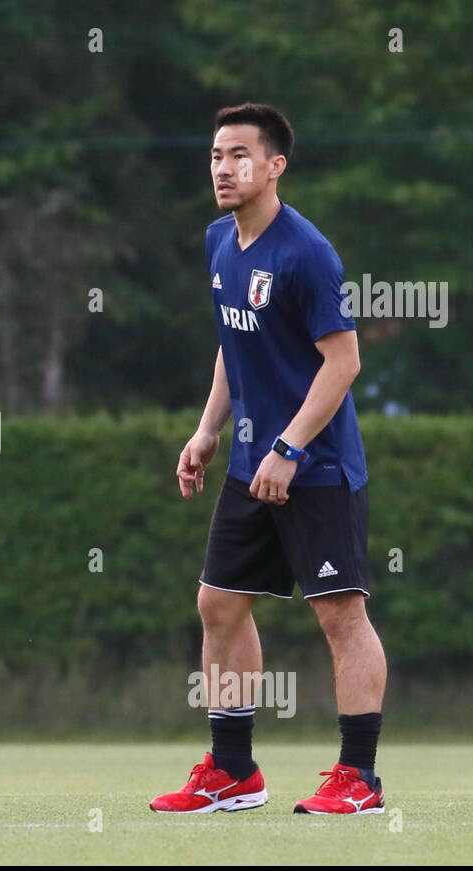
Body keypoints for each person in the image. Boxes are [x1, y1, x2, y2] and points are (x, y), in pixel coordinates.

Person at [151, 103, 387, 816]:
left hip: (314, 467)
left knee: (340, 616)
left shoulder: (306, 252)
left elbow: (342, 362)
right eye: (217, 155)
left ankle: (360, 779)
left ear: (275, 165)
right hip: (251, 461)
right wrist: (207, 429)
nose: (224, 167)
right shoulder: (220, 240)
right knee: (218, 605)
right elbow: (235, 343)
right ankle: (232, 771)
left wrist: (289, 447)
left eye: (239, 155)